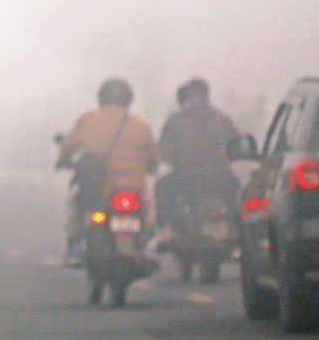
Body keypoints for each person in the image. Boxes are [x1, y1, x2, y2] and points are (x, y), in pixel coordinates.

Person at [55, 78, 159, 266]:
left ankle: (74, 245)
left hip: (97, 189)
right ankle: (143, 245)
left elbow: (69, 146)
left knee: (74, 202)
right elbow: (153, 161)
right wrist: (149, 168)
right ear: (128, 100)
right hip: (133, 189)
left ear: (101, 98)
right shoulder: (140, 125)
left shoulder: (87, 120)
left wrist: (62, 163)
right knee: (147, 207)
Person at [155, 77, 240, 244]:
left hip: (186, 177)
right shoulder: (221, 118)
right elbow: (236, 145)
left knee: (161, 187)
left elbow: (163, 150)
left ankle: (166, 230)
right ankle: (240, 234)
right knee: (237, 200)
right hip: (220, 177)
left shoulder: (176, 119)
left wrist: (174, 159)